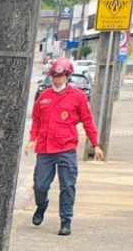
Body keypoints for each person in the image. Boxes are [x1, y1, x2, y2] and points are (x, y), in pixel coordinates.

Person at [27, 56, 103, 236]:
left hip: (66, 148)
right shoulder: (44, 96)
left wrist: (96, 144)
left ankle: (65, 220)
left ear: (68, 76)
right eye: (54, 75)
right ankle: (41, 205)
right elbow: (36, 120)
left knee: (67, 186)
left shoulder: (78, 96)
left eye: (60, 76)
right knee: (40, 185)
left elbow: (88, 121)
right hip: (45, 149)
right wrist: (32, 139)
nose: (56, 79)